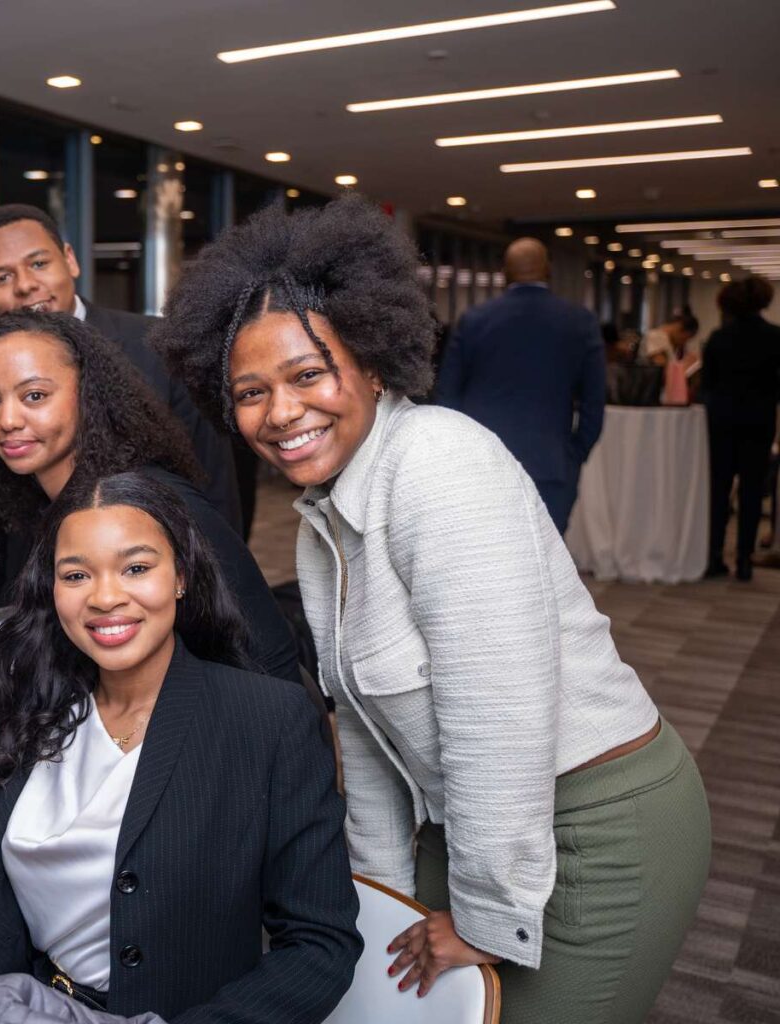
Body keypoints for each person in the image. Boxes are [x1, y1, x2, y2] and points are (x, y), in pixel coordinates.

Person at [151, 196, 712, 1024]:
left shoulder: (440, 464)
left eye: (308, 374)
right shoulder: (322, 520)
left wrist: (483, 917)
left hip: (599, 830)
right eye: (250, 392)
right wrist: (382, 898)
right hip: (482, 824)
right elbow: (366, 728)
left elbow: (500, 717)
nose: (280, 413)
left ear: (373, 363)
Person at [0, 472, 359, 1023]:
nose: (105, 597)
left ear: (181, 577)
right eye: (76, 574)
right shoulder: (30, 705)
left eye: (136, 568)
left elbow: (319, 947)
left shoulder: (266, 721)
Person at [0, 309, 302, 688]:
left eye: (34, 396)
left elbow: (269, 656)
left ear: (87, 393)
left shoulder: (152, 505)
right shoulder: (31, 513)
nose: (7, 420)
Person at [0, 204, 240, 534]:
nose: (25, 285)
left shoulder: (159, 345)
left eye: (39, 263)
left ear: (70, 260)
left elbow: (215, 483)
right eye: (3, 277)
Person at [432, 237, 606, 533]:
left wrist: (457, 454)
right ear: (548, 269)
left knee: (482, 553)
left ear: (504, 272)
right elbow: (594, 402)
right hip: (551, 465)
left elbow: (447, 395)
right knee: (546, 564)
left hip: (481, 465)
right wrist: (574, 455)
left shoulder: (474, 320)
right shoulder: (579, 322)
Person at [702, 277, 780, 581]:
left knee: (719, 490)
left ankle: (714, 556)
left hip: (721, 420)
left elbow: (707, 385)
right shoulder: (775, 337)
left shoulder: (719, 337)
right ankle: (745, 560)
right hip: (759, 421)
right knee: (751, 491)